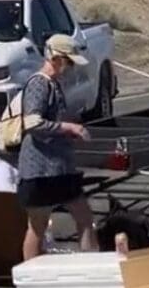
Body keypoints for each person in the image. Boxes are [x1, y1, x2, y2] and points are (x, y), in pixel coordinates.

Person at [16, 33, 97, 260]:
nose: (69, 67)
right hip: (41, 171)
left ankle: (91, 265)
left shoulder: (51, 84)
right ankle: (31, 275)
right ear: (55, 58)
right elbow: (32, 122)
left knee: (82, 217)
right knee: (38, 226)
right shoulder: (39, 84)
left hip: (57, 168)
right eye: (67, 61)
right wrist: (67, 128)